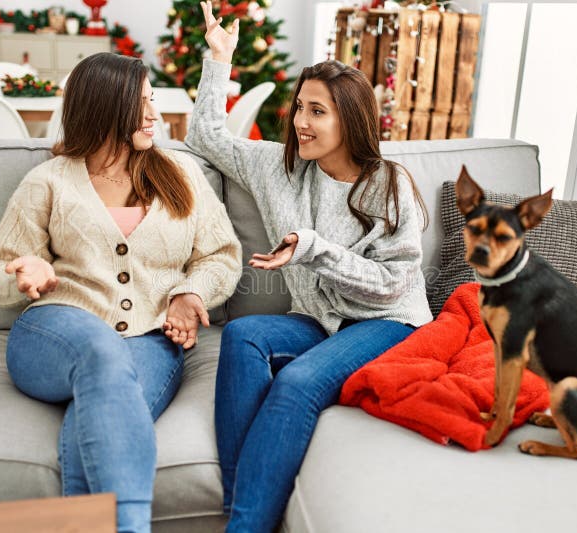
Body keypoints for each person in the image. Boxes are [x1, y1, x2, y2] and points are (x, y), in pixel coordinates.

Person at [184, 3, 433, 531]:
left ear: (351, 119)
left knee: (296, 384)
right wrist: (218, 61)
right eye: (300, 108)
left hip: (387, 324)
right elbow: (203, 137)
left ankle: (245, 521)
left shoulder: (388, 185)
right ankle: (243, 512)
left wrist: (315, 248)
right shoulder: (276, 165)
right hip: (319, 320)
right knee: (244, 335)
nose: (300, 121)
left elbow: (392, 287)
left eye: (317, 111)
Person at [0, 52, 241, 533]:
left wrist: (191, 293)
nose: (154, 115)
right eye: (140, 103)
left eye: (152, 101)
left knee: (99, 418)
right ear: (104, 106)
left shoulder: (181, 175)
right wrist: (25, 270)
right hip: (56, 328)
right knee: (102, 351)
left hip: (151, 340)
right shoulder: (50, 181)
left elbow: (221, 255)